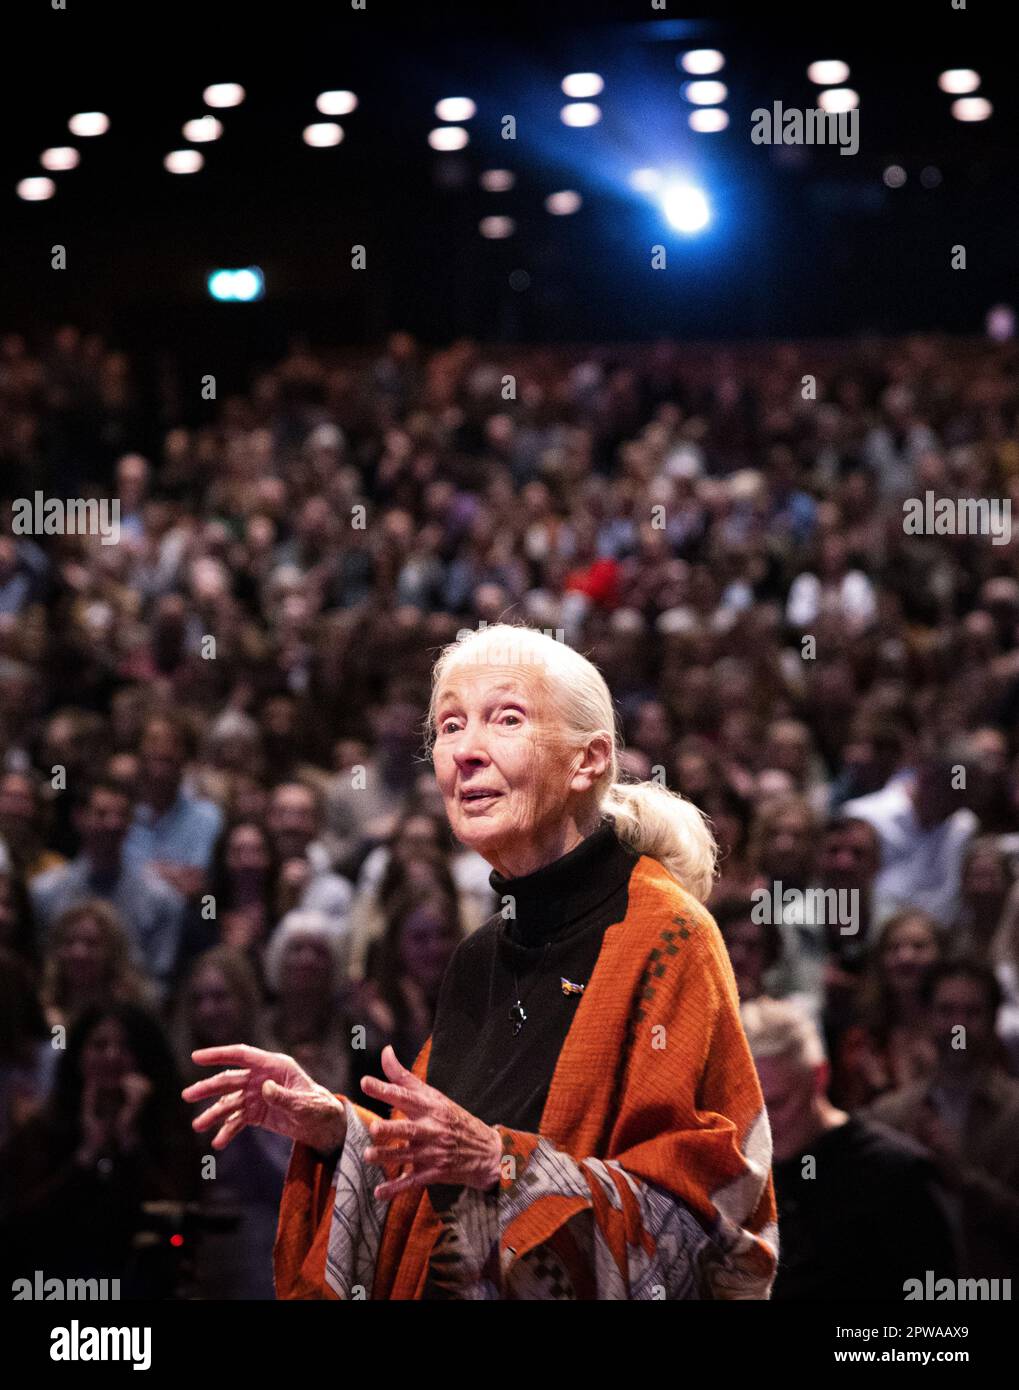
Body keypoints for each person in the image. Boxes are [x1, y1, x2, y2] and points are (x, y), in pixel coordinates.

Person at [184, 622, 777, 1300]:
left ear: (588, 760)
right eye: (449, 726)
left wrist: (501, 1165)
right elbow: (439, 1178)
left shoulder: (669, 937)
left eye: (506, 718)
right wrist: (337, 1132)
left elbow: (715, 1230)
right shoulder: (479, 954)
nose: (464, 752)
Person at [743, 997, 956, 1300]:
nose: (761, 1123)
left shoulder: (894, 1173)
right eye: (748, 1106)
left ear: (819, 1077)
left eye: (776, 1103)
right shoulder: (736, 1172)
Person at [867, 961, 1019, 1281]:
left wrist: (963, 1177)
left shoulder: (1014, 1113)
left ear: (992, 1020)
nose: (958, 1027)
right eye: (946, 1011)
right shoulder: (890, 1116)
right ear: (926, 1018)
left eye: (971, 1013)